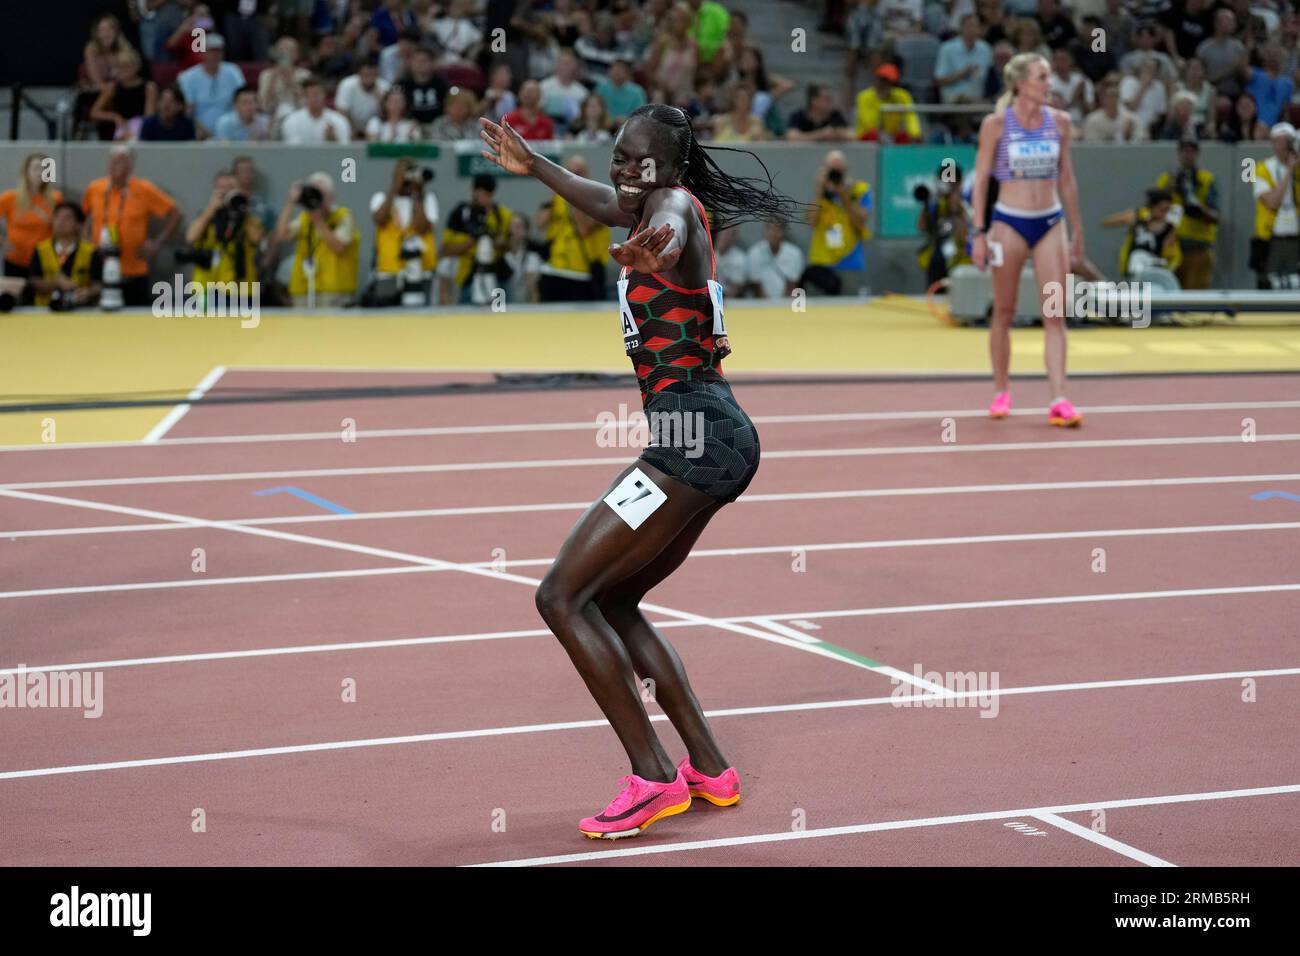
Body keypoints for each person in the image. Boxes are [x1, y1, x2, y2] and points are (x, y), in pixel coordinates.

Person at [478, 101, 803, 840]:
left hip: (691, 440)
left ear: (672, 168)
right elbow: (604, 205)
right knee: (613, 601)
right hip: (707, 434)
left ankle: (653, 777)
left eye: (637, 159)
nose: (622, 169)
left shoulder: (675, 210)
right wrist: (536, 167)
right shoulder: (643, 203)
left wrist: (657, 244)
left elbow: (673, 225)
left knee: (561, 597)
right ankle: (710, 768)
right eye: (617, 154)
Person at [969, 52, 1085, 427]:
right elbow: (982, 181)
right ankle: (1001, 390)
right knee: (1004, 311)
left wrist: (1076, 229)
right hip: (1009, 225)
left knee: (1054, 313)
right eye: (1042, 77)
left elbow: (1066, 179)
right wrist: (979, 232)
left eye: (1049, 77)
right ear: (1020, 84)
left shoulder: (1061, 123)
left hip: (1049, 223)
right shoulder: (996, 124)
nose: (1049, 84)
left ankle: (1059, 397)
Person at [81, 146, 183, 305]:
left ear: (130, 166)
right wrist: (86, 238)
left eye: (121, 161)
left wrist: (156, 244)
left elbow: (176, 214)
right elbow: (87, 215)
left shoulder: (144, 189)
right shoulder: (95, 188)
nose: (116, 165)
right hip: (99, 267)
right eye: (113, 161)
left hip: (134, 269)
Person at [271, 172, 360, 308]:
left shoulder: (342, 216)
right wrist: (290, 203)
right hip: (303, 288)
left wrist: (318, 221)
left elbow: (338, 246)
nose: (316, 199)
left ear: (331, 197)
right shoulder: (304, 218)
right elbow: (281, 236)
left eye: (320, 194)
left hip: (333, 291)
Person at [535, 155, 610, 302]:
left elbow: (583, 229)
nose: (571, 177)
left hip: (581, 273)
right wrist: (554, 189)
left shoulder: (598, 199)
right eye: (568, 172)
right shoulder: (557, 198)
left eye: (577, 173)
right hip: (553, 269)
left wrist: (575, 194)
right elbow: (539, 224)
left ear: (586, 175)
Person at [801, 150, 872, 295]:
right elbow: (811, 222)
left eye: (838, 171)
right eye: (831, 171)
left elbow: (860, 223)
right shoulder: (820, 194)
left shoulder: (861, 190)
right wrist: (819, 193)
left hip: (850, 263)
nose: (835, 176)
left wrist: (844, 197)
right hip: (822, 265)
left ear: (846, 170)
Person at [437, 173, 514, 305]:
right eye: (480, 193)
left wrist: (494, 238)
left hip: (498, 276)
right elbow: (445, 249)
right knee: (469, 314)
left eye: (488, 195)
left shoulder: (502, 214)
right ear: (473, 190)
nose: (483, 199)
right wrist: (474, 239)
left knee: (500, 313)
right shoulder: (460, 214)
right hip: (469, 276)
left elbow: (510, 245)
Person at [182, 169, 263, 290]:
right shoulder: (206, 216)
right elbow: (190, 237)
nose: (226, 192)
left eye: (231, 188)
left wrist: (242, 207)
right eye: (221, 188)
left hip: (241, 289)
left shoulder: (249, 218)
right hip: (207, 286)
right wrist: (210, 210)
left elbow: (256, 239)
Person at [1154, 139, 1219, 288]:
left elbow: (1215, 216)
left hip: (1198, 247)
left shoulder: (1206, 180)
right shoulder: (1167, 179)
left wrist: (1195, 205)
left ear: (1197, 154)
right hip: (1170, 248)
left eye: (1191, 151)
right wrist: (1167, 192)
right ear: (1178, 154)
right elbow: (1153, 212)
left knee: (1194, 301)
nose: (1187, 155)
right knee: (1168, 296)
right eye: (1183, 151)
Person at [369, 159, 439, 289]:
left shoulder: (427, 199)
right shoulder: (381, 198)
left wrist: (418, 195)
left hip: (421, 270)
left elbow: (422, 228)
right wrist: (395, 187)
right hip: (389, 271)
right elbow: (380, 219)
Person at [1250, 123, 1300, 288]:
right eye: (1278, 142)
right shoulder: (1261, 168)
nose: (1282, 147)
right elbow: (1272, 202)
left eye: (1286, 142)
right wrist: (1289, 171)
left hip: (1295, 236)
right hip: (1271, 237)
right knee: (1268, 284)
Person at [0, 153, 64, 283]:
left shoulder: (55, 198)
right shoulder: (10, 198)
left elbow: (63, 227)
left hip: (45, 259)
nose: (40, 172)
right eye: (35, 168)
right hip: (15, 259)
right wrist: (2, 240)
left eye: (44, 169)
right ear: (26, 171)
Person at [27, 203, 102, 309]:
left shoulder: (91, 251)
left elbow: (99, 284)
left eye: (67, 218)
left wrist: (89, 292)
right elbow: (33, 282)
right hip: (44, 310)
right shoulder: (41, 249)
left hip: (81, 310)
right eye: (57, 217)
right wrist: (56, 283)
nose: (60, 222)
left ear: (78, 224)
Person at [177, 33, 246, 138]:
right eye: (210, 50)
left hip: (231, 129)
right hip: (200, 130)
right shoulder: (188, 77)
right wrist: (202, 131)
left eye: (218, 50)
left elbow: (242, 99)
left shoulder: (233, 71)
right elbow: (188, 110)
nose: (215, 54)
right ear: (202, 53)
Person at [89, 47, 155, 142]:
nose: (122, 70)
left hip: (140, 128)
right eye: (119, 66)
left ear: (136, 66)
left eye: (126, 66)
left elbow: (149, 117)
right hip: (120, 127)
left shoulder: (149, 87)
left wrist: (135, 129)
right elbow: (94, 112)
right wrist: (115, 117)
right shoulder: (112, 87)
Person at [855, 63, 922, 143]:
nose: (885, 84)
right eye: (883, 80)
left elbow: (911, 117)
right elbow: (869, 124)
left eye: (889, 81)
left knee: (904, 136)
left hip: (892, 136)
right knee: (873, 134)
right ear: (877, 79)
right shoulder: (864, 97)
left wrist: (915, 134)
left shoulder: (903, 96)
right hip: (869, 138)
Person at [280, 77, 352, 143]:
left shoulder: (338, 120)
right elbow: (293, 151)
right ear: (303, 97)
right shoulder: (291, 121)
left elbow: (344, 151)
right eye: (310, 95)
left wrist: (332, 142)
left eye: (317, 94)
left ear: (324, 95)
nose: (315, 98)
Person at [745, 221, 805, 299]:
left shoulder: (795, 253)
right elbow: (756, 285)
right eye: (769, 229)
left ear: (784, 232)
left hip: (786, 301)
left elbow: (792, 284)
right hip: (761, 303)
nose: (773, 233)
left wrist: (782, 305)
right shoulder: (754, 253)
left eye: (777, 229)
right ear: (764, 231)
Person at [335, 56, 390, 137]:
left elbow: (389, 117)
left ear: (377, 74)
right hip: (351, 128)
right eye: (366, 75)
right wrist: (352, 131)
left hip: (375, 132)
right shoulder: (347, 85)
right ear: (359, 74)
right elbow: (342, 113)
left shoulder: (385, 87)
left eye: (372, 75)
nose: (369, 79)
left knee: (375, 123)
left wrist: (381, 101)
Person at [785, 84, 853, 142]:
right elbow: (791, 137)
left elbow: (852, 135)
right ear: (814, 100)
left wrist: (838, 134)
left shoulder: (835, 115)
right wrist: (821, 134)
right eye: (826, 98)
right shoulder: (798, 116)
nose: (830, 101)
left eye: (830, 99)